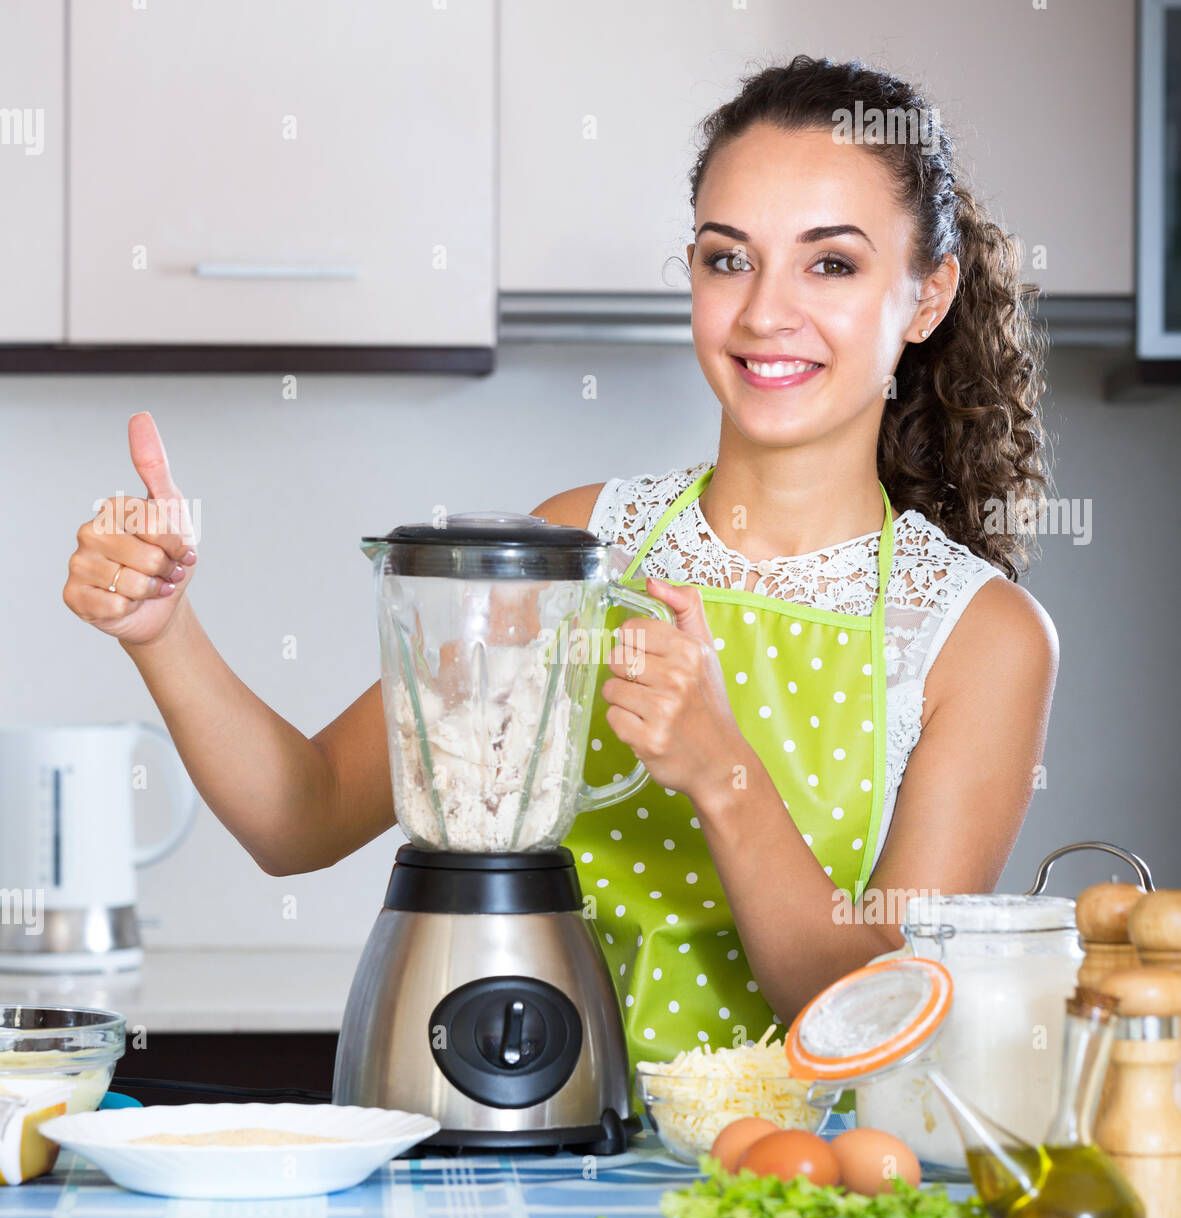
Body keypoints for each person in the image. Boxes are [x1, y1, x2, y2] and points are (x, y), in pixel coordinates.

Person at [62, 56, 1057, 1070]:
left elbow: (877, 1016)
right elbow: (304, 815)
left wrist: (720, 770)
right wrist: (162, 629)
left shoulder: (977, 636)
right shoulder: (576, 546)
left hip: (803, 1192)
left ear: (927, 295)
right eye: (727, 259)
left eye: (829, 264)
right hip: (540, 1154)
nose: (764, 313)